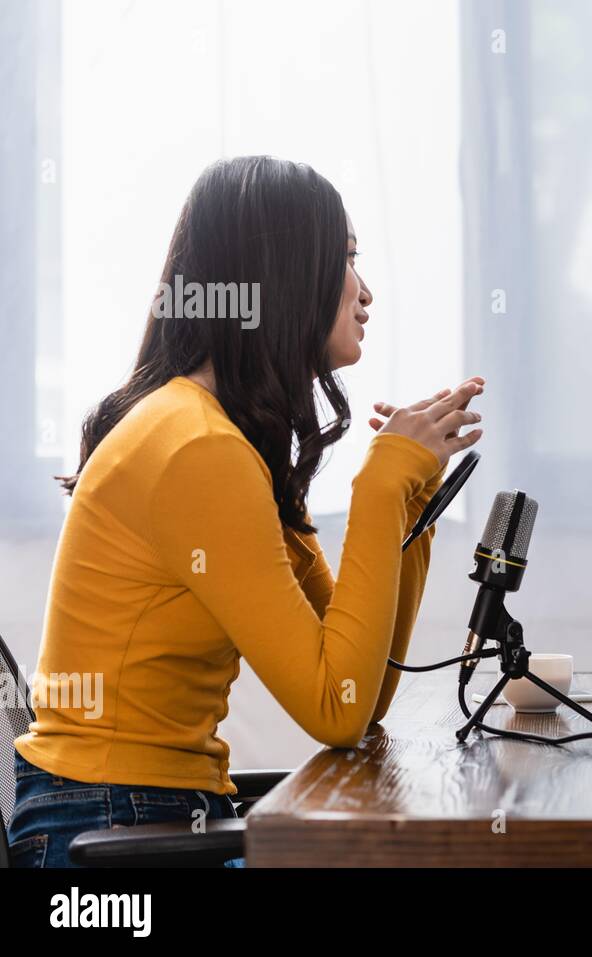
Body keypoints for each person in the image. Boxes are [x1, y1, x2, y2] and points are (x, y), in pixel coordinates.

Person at [6, 156, 483, 867]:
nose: (367, 292)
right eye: (346, 259)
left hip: (142, 817)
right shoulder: (196, 448)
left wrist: (409, 510)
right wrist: (379, 489)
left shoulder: (222, 438)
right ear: (285, 274)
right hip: (106, 836)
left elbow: (362, 691)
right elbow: (338, 707)